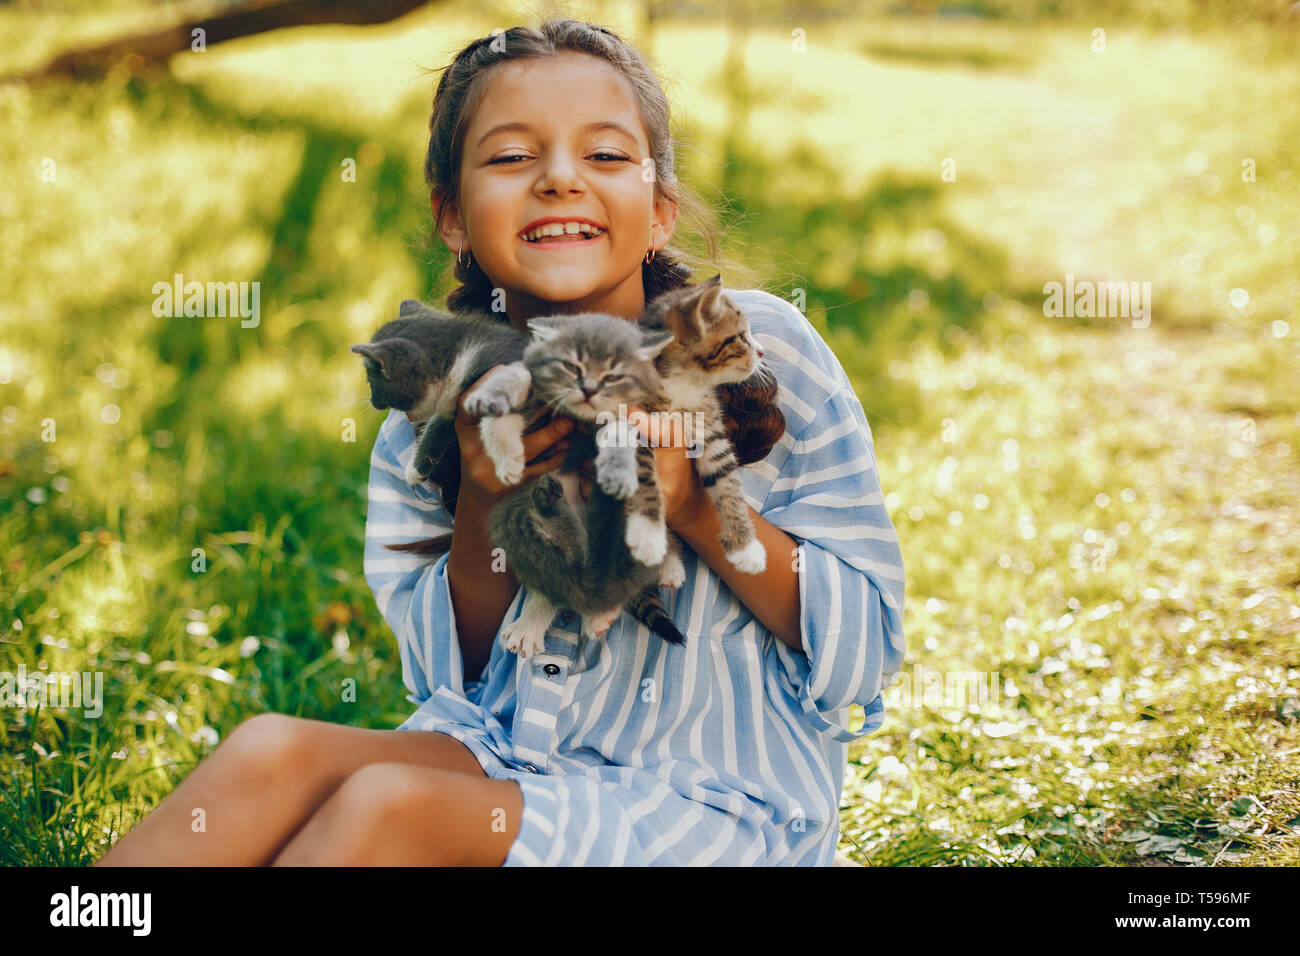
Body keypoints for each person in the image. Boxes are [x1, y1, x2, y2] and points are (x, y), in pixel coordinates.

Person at [95, 18, 904, 867]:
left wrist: (700, 505)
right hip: (511, 756)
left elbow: (866, 651)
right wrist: (481, 503)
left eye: (604, 155)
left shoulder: (750, 348)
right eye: (513, 156)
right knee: (270, 753)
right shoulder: (440, 414)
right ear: (452, 217)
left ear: (660, 209)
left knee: (386, 809)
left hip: (715, 803)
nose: (559, 179)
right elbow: (456, 685)